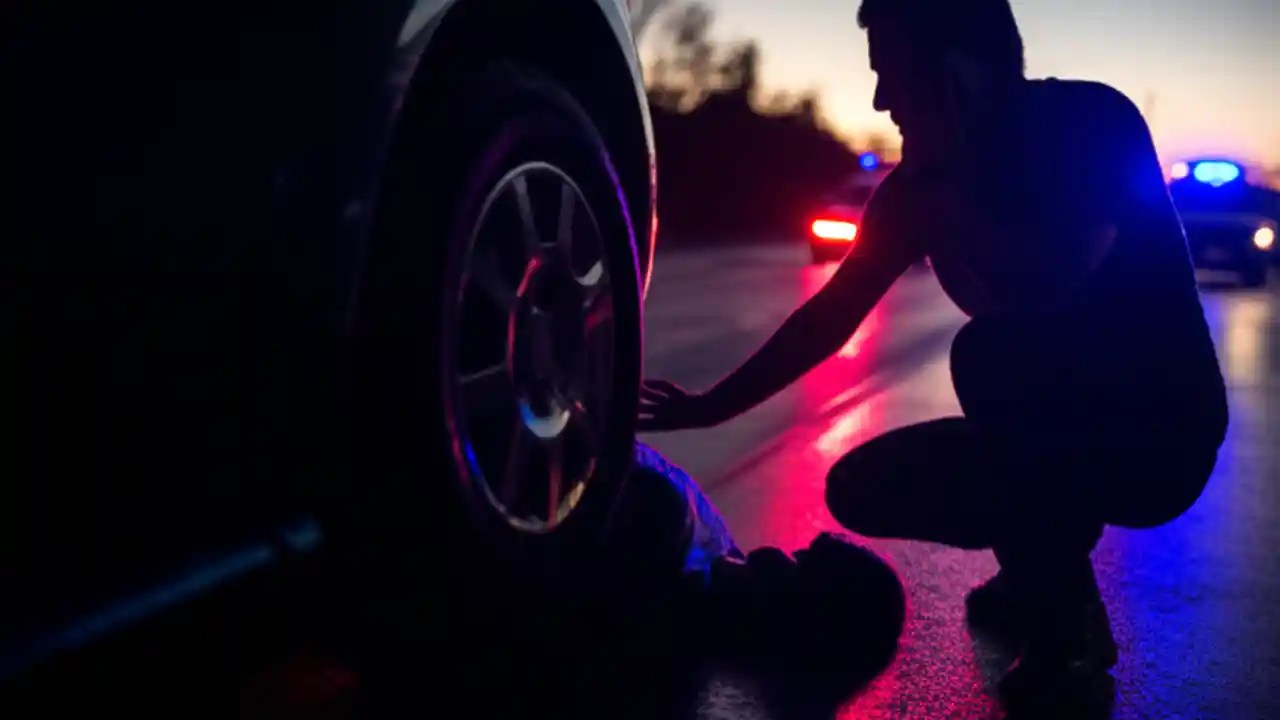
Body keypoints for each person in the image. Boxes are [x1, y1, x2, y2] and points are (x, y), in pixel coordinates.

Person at [637, 0, 1228, 704]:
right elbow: (830, 316)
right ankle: (1036, 552)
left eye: (893, 74)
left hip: (1160, 441)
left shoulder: (1089, 124)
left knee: (991, 355)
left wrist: (945, 206)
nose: (884, 100)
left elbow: (1059, 279)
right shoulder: (912, 192)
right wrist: (712, 408)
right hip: (1053, 424)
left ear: (954, 76)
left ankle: (1065, 625)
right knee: (858, 487)